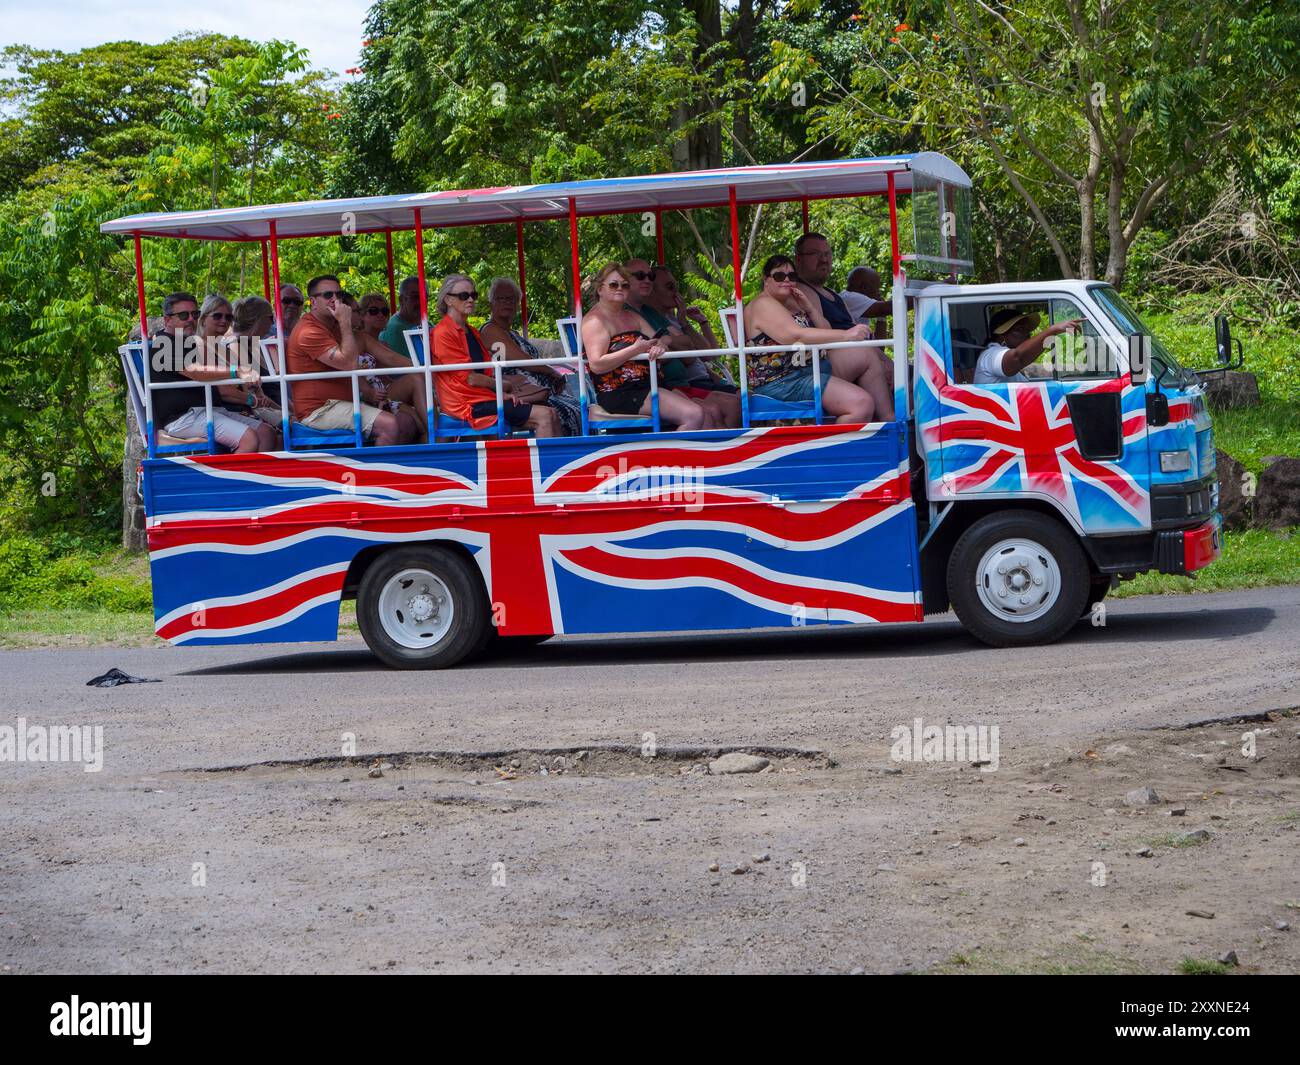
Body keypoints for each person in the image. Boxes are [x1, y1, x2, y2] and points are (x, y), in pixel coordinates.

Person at [285, 275, 418, 447]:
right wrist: (345, 322)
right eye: (327, 295)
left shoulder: (333, 326)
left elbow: (388, 356)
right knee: (389, 424)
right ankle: (377, 474)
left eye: (338, 295)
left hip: (344, 403)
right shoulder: (309, 331)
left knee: (407, 420)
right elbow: (349, 364)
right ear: (313, 302)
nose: (335, 300)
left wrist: (425, 368)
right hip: (319, 411)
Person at [743, 256, 876, 424]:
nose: (786, 280)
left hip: (808, 370)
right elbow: (795, 336)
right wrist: (847, 334)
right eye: (779, 276)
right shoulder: (763, 304)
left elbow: (826, 332)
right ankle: (831, 448)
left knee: (867, 354)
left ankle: (891, 419)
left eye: (791, 276)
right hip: (784, 380)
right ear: (766, 280)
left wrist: (810, 308)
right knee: (861, 404)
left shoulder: (792, 302)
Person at [580, 263, 706, 431]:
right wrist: (635, 349)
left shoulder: (631, 315)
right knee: (694, 414)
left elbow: (659, 339)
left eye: (625, 285)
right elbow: (597, 364)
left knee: (707, 413)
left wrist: (660, 346)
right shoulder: (595, 321)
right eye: (613, 284)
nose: (620, 288)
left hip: (651, 384)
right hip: (622, 391)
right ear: (600, 289)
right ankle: (667, 457)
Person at [147, 291, 276, 452]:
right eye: (183, 315)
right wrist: (239, 372)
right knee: (248, 437)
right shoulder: (164, 344)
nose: (191, 319)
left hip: (206, 411)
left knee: (266, 432)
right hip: (183, 418)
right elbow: (197, 372)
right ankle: (233, 477)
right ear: (167, 319)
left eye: (195, 314)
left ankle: (259, 475)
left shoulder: (187, 343)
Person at [431, 275, 558, 437]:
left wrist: (501, 394)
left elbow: (485, 372)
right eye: (464, 296)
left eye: (473, 295)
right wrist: (504, 386)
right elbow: (470, 378)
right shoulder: (443, 333)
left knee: (552, 414)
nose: (470, 299)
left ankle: (563, 462)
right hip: (466, 404)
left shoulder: (472, 331)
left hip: (482, 399)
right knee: (544, 416)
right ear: (448, 300)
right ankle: (545, 463)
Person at [624, 257, 736, 428]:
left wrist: (668, 339)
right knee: (709, 411)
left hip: (676, 386)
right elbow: (660, 355)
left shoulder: (650, 313)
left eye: (650, 277)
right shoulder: (626, 314)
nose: (647, 280)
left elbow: (689, 348)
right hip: (657, 388)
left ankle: (727, 452)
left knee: (734, 404)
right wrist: (666, 342)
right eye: (640, 276)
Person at [793, 232, 894, 418]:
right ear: (799, 260)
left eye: (827, 254)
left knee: (910, 376)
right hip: (823, 360)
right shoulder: (801, 291)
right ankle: (891, 425)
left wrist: (886, 361)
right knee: (870, 359)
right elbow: (818, 334)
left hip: (851, 353)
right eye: (816, 254)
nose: (824, 260)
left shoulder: (833, 294)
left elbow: (859, 332)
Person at [478, 277, 581, 436]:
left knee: (579, 407)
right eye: (501, 299)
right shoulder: (490, 330)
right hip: (517, 393)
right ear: (491, 303)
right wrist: (552, 372)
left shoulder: (512, 333)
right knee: (564, 411)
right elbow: (522, 360)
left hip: (539, 391)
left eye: (511, 299)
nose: (506, 302)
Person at [351, 292, 429, 440]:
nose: (380, 315)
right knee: (415, 380)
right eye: (373, 311)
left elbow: (385, 378)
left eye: (385, 311)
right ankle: (434, 434)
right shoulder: (356, 340)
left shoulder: (382, 344)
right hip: (365, 394)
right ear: (362, 315)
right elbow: (391, 359)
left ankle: (431, 434)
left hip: (382, 390)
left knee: (419, 387)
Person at [216, 295, 283, 429]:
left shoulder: (253, 345)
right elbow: (257, 395)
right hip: (258, 412)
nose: (273, 322)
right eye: (271, 318)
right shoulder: (237, 346)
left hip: (271, 408)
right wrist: (289, 413)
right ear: (259, 320)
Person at [974, 309, 1082, 384]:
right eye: (1020, 330)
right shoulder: (990, 355)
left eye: (1028, 330)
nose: (1028, 335)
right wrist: (1052, 331)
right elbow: (1017, 358)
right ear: (1002, 334)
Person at [379, 276, 425, 355]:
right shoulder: (395, 330)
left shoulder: (426, 324)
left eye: (424, 296)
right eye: (415, 297)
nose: (420, 302)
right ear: (401, 300)